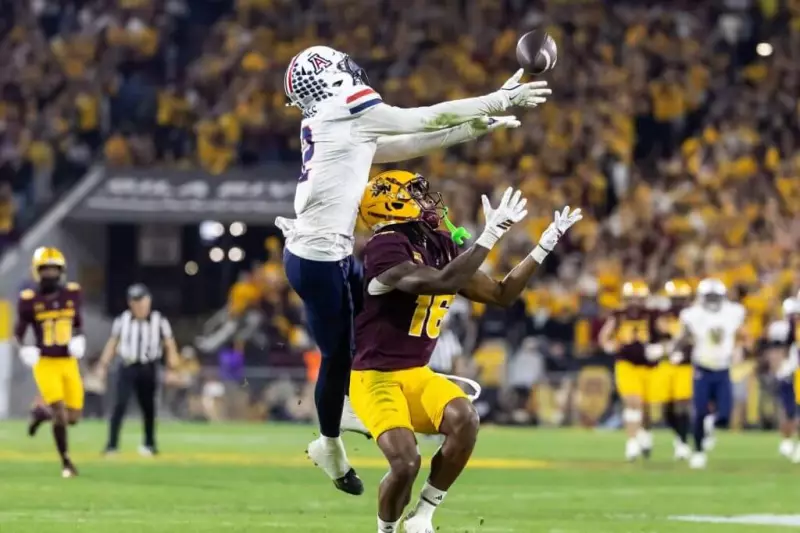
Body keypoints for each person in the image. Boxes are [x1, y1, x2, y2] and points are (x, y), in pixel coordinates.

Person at [276, 45, 551, 495]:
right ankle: (331, 440)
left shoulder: (329, 118)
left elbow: (394, 145)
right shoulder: (346, 106)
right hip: (317, 258)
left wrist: (471, 127)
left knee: (358, 339)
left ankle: (354, 406)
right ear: (327, 76)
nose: (351, 68)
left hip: (324, 252)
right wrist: (497, 100)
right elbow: (423, 118)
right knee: (339, 353)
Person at [349, 170, 581, 533]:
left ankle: (423, 514)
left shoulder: (437, 243)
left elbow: (501, 295)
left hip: (417, 373)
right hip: (376, 378)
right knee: (406, 464)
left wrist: (544, 245)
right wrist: (489, 235)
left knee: (465, 419)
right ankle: (387, 531)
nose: (429, 201)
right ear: (391, 202)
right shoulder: (385, 246)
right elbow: (444, 281)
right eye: (415, 193)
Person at [14, 247, 86, 478]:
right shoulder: (29, 300)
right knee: (60, 413)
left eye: (54, 270)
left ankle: (40, 413)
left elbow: (78, 321)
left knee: (73, 416)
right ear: (37, 272)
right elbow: (19, 331)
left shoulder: (72, 294)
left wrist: (79, 337)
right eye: (45, 270)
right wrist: (24, 348)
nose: (50, 275)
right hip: (45, 362)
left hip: (68, 362)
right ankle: (66, 462)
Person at [672, 278, 746, 469]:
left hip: (723, 368)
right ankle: (698, 452)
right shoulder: (692, 315)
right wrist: (676, 350)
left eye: (715, 296)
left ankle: (709, 427)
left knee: (725, 414)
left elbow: (742, 334)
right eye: (709, 296)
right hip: (702, 368)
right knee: (699, 411)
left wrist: (740, 348)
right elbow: (684, 337)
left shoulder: (733, 312)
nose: (712, 300)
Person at [97, 284, 179, 456]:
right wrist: (103, 364)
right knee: (120, 405)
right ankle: (112, 445)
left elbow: (169, 344)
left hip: (149, 366)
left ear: (148, 301)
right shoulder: (122, 320)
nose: (139, 305)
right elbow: (113, 343)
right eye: (135, 302)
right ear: (130, 303)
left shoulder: (159, 320)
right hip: (128, 366)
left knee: (149, 407)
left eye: (141, 301)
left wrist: (173, 366)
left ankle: (149, 444)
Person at [599, 281, 666, 461]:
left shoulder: (653, 315)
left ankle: (644, 432)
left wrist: (660, 348)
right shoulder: (619, 314)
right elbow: (604, 336)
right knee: (632, 401)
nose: (635, 303)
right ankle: (632, 442)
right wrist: (608, 345)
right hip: (626, 364)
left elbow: (668, 335)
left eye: (639, 299)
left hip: (648, 367)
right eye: (632, 299)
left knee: (646, 407)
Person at [658, 279, 694, 460]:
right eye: (675, 299)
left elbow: (695, 339)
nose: (678, 303)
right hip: (666, 364)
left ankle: (682, 442)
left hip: (685, 365)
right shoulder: (662, 316)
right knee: (666, 408)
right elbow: (658, 337)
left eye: (682, 299)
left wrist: (684, 350)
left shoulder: (694, 316)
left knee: (682, 404)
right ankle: (679, 437)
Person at [767, 296, 800, 461]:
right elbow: (778, 351)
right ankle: (786, 441)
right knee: (788, 410)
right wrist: (779, 370)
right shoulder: (782, 328)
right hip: (788, 373)